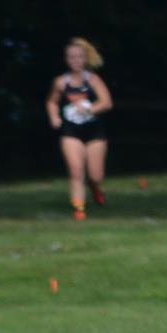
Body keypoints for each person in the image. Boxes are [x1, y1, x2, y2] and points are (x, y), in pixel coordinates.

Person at [46, 38, 113, 221]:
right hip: (70, 131)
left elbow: (107, 102)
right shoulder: (60, 82)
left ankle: (96, 189)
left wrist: (90, 109)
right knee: (76, 171)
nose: (75, 60)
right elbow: (51, 102)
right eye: (71, 57)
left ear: (85, 59)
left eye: (79, 57)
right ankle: (79, 210)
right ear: (67, 60)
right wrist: (54, 117)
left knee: (95, 175)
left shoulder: (93, 80)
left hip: (94, 132)